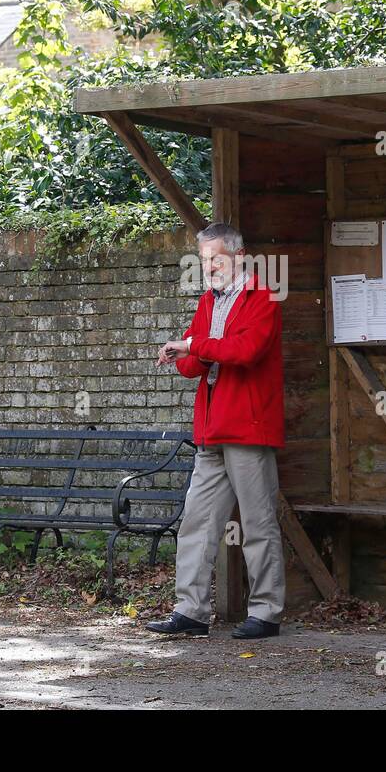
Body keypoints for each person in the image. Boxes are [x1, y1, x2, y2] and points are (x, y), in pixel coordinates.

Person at [148, 222, 286, 639]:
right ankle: (190, 611)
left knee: (258, 524)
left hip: (248, 428)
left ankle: (266, 613)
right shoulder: (209, 302)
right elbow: (195, 365)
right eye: (204, 260)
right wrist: (183, 352)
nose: (209, 267)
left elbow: (244, 351)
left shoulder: (263, 296)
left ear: (239, 256)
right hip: (211, 430)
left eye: (216, 259)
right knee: (197, 521)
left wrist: (194, 345)